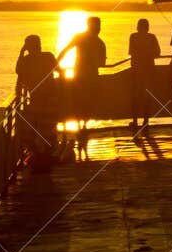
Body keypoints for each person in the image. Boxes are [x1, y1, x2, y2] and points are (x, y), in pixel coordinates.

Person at [56, 16, 107, 153]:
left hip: (81, 75)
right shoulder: (99, 42)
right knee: (86, 102)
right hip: (88, 76)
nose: (98, 28)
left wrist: (56, 64)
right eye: (98, 25)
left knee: (81, 102)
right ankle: (83, 126)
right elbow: (102, 63)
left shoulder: (82, 38)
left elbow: (64, 51)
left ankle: (81, 126)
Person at [15, 34, 59, 165]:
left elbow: (18, 71)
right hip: (50, 99)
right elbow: (58, 70)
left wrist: (22, 52)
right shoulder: (48, 56)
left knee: (32, 129)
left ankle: (39, 152)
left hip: (40, 100)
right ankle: (45, 152)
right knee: (47, 128)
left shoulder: (27, 60)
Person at [128, 18, 161, 133]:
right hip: (149, 71)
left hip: (136, 71)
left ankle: (135, 121)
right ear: (148, 27)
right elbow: (157, 53)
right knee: (147, 97)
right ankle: (145, 122)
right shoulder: (152, 38)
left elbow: (131, 52)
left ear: (138, 27)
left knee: (135, 97)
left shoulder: (133, 37)